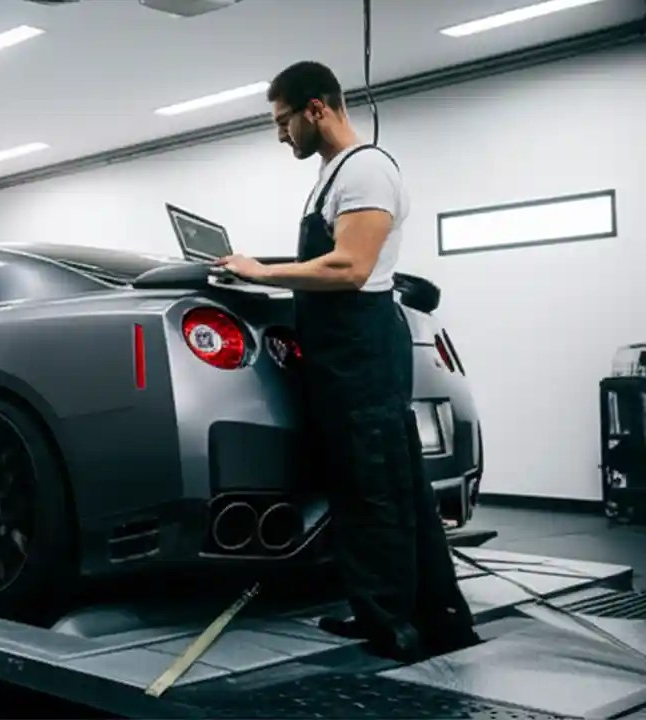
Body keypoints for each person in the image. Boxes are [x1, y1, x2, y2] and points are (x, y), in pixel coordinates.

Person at [215, 60, 480, 662]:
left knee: (374, 490)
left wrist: (265, 270)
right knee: (380, 485)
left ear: (317, 109)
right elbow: (333, 259)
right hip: (345, 354)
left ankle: (395, 628)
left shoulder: (365, 171)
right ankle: (416, 615)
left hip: (360, 351)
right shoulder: (334, 175)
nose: (281, 135)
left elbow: (351, 266)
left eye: (284, 122)